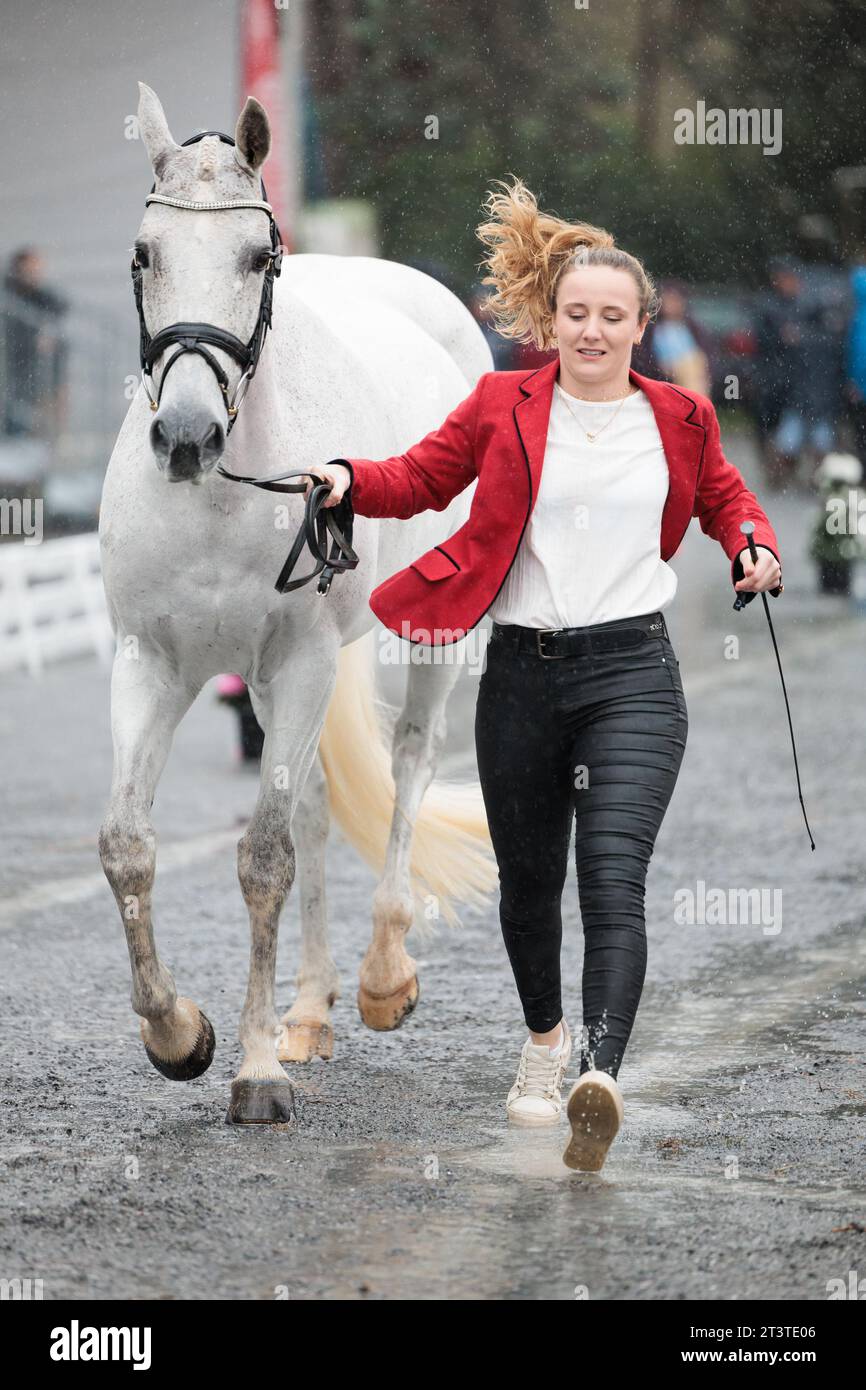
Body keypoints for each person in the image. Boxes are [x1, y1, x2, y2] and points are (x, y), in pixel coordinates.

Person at [302, 177, 783, 1173]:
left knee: (612, 877)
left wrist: (750, 544)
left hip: (631, 676)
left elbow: (726, 500)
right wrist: (350, 478)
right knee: (530, 886)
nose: (593, 331)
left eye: (613, 316)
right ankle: (541, 1044)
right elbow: (419, 478)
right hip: (519, 673)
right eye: (576, 314)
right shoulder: (496, 405)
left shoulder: (680, 419)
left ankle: (596, 1074)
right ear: (551, 319)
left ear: (641, 324)